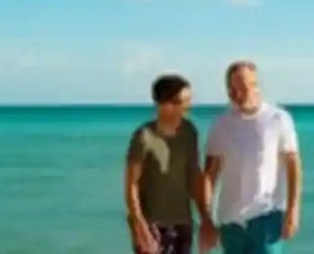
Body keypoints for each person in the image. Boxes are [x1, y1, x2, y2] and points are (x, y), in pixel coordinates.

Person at [202, 60, 302, 253]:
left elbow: (293, 166)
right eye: (231, 89)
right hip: (230, 223)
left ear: (256, 86)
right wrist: (206, 219)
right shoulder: (221, 125)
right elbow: (209, 176)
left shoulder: (278, 119)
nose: (236, 95)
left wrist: (293, 211)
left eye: (242, 87)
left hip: (267, 217)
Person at [124, 74, 217, 254]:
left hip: (183, 222)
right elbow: (131, 184)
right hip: (152, 225)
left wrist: (205, 217)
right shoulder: (144, 137)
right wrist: (139, 224)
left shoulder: (189, 132)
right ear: (165, 104)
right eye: (184, 101)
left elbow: (193, 175)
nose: (188, 106)